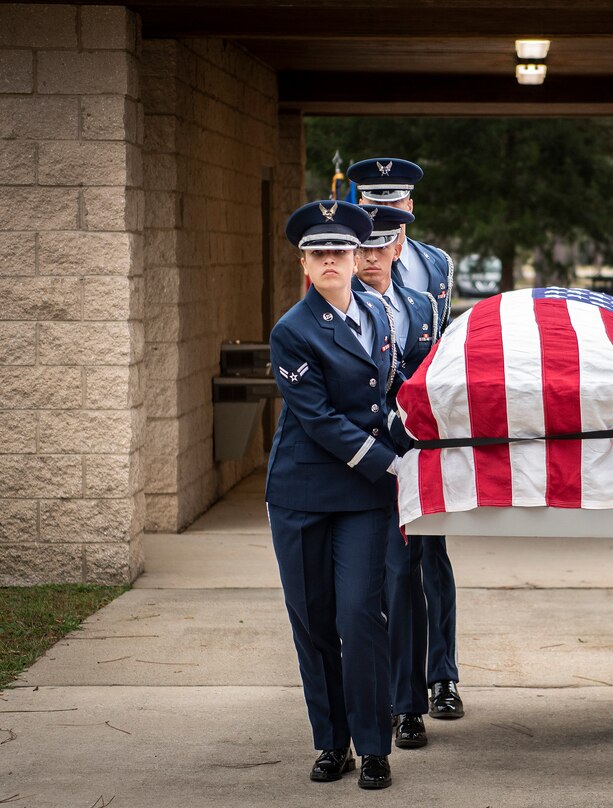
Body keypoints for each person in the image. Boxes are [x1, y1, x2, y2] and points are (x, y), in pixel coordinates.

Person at [266, 200, 400, 790]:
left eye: (339, 252)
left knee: (361, 617)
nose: (329, 261)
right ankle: (332, 743)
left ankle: (374, 747)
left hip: (364, 497)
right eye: (317, 253)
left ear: (357, 257)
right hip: (303, 492)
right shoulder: (292, 332)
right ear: (304, 263)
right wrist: (391, 464)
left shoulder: (380, 313)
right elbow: (318, 419)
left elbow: (391, 391)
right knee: (315, 621)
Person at [347, 157, 464, 720]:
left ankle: (441, 676)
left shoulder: (435, 266)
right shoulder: (345, 260)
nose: (383, 216)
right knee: (391, 567)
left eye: (393, 207)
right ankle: (399, 691)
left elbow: (437, 347)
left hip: (421, 430)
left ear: (409, 211)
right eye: (372, 204)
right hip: (371, 434)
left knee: (431, 558)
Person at [351, 203, 444, 749]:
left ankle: (409, 705)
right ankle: (376, 698)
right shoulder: (342, 309)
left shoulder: (421, 307)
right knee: (368, 588)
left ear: (396, 247)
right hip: (360, 463)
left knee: (404, 579)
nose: (368, 257)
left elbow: (431, 377)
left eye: (378, 246)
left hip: (409, 460)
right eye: (359, 247)